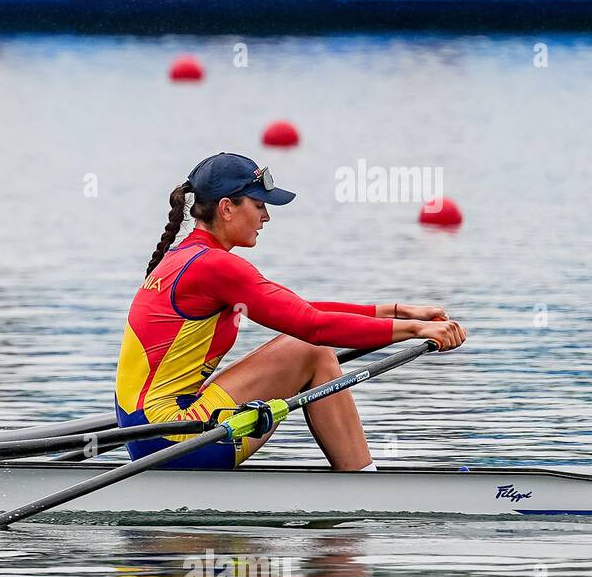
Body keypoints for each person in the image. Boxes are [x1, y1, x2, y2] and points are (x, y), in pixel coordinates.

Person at [115, 152, 465, 470]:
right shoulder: (215, 266)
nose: (266, 216)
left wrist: (397, 311)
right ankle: (363, 480)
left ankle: (360, 477)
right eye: (259, 204)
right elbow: (311, 327)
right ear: (226, 208)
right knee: (311, 348)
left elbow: (301, 310)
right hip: (174, 439)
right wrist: (417, 332)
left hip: (150, 433)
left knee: (307, 344)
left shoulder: (185, 256)